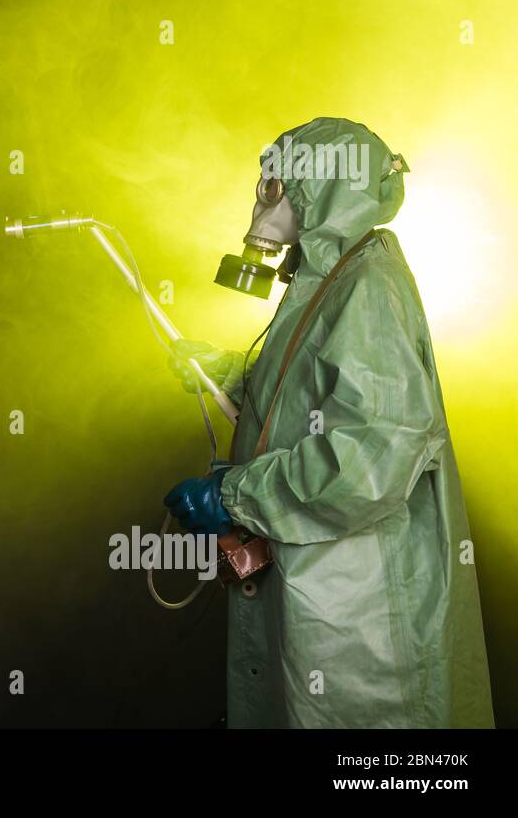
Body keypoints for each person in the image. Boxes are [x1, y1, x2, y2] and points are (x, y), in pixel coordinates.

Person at [163, 117, 494, 728]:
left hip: (356, 616)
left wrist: (232, 495)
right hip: (317, 596)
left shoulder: (366, 284)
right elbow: (317, 387)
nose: (262, 197)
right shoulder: (332, 275)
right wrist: (233, 373)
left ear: (320, 188)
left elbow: (371, 458)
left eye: (272, 186)